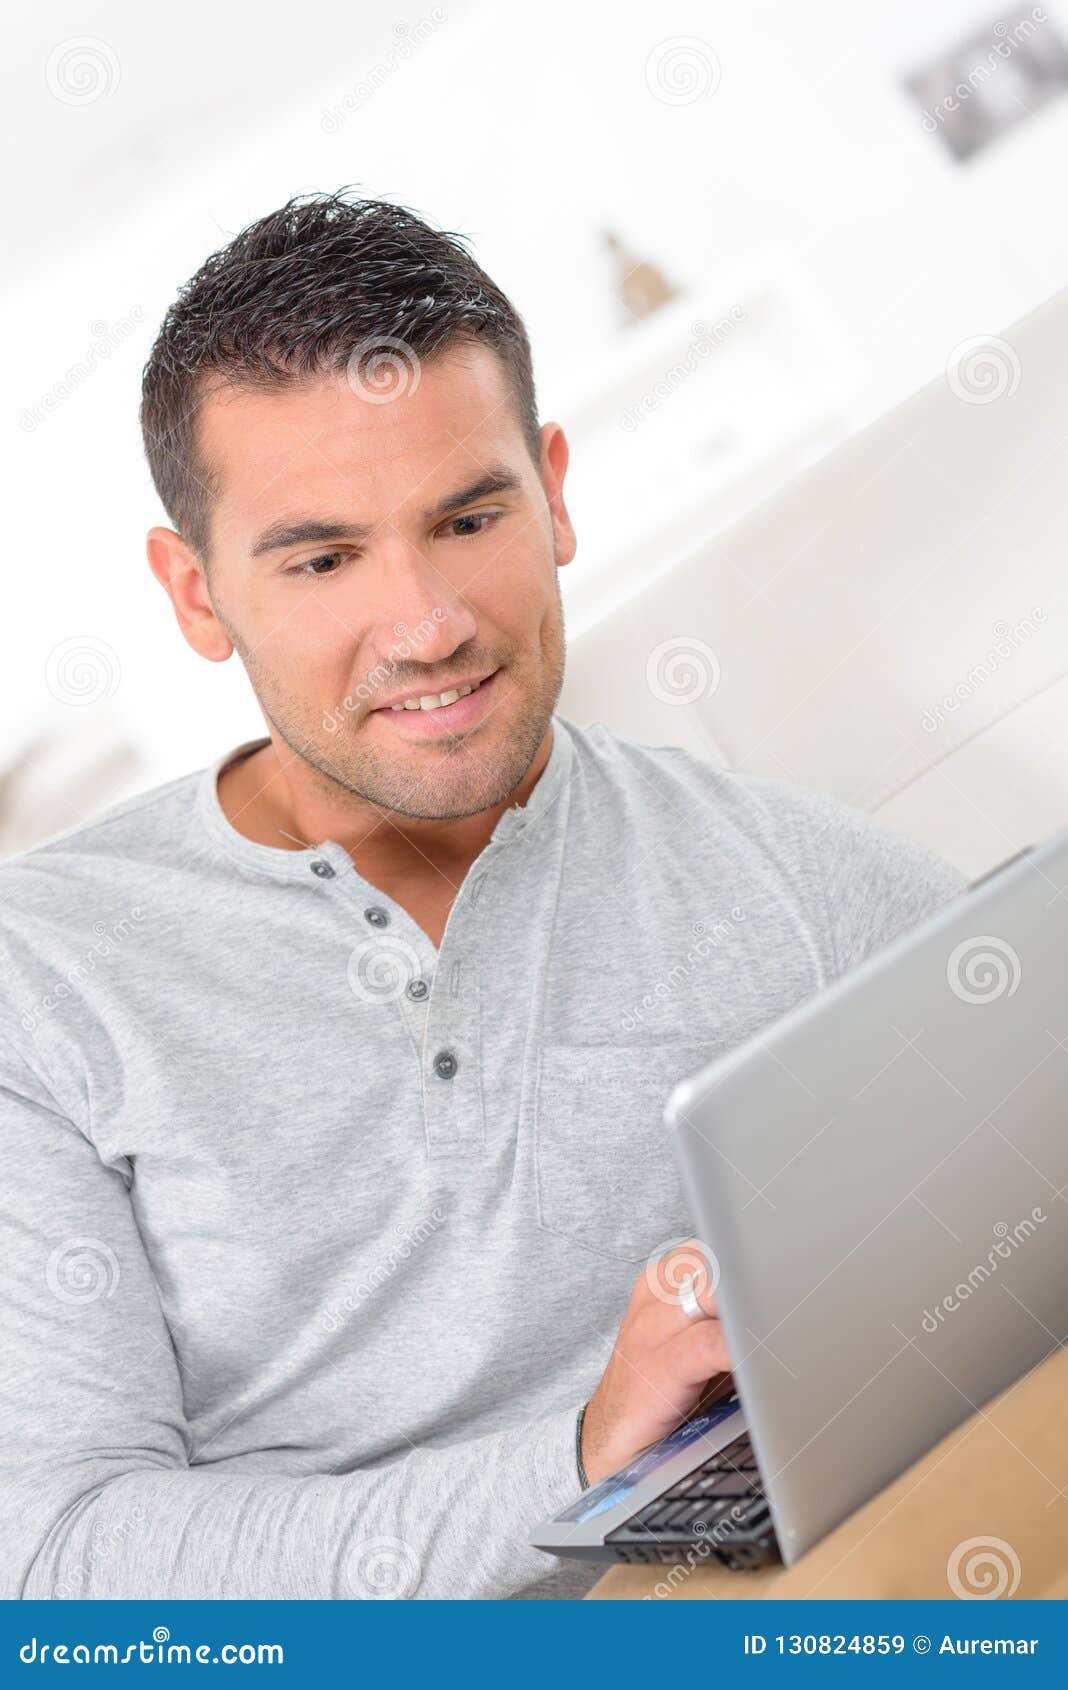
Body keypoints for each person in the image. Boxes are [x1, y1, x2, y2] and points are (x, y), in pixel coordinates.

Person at [0, 191, 966, 1600]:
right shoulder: (46, 978)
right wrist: (579, 1461)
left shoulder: (798, 878)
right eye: (323, 556)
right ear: (195, 592)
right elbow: (58, 1558)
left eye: (465, 518)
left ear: (555, 491)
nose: (427, 623)